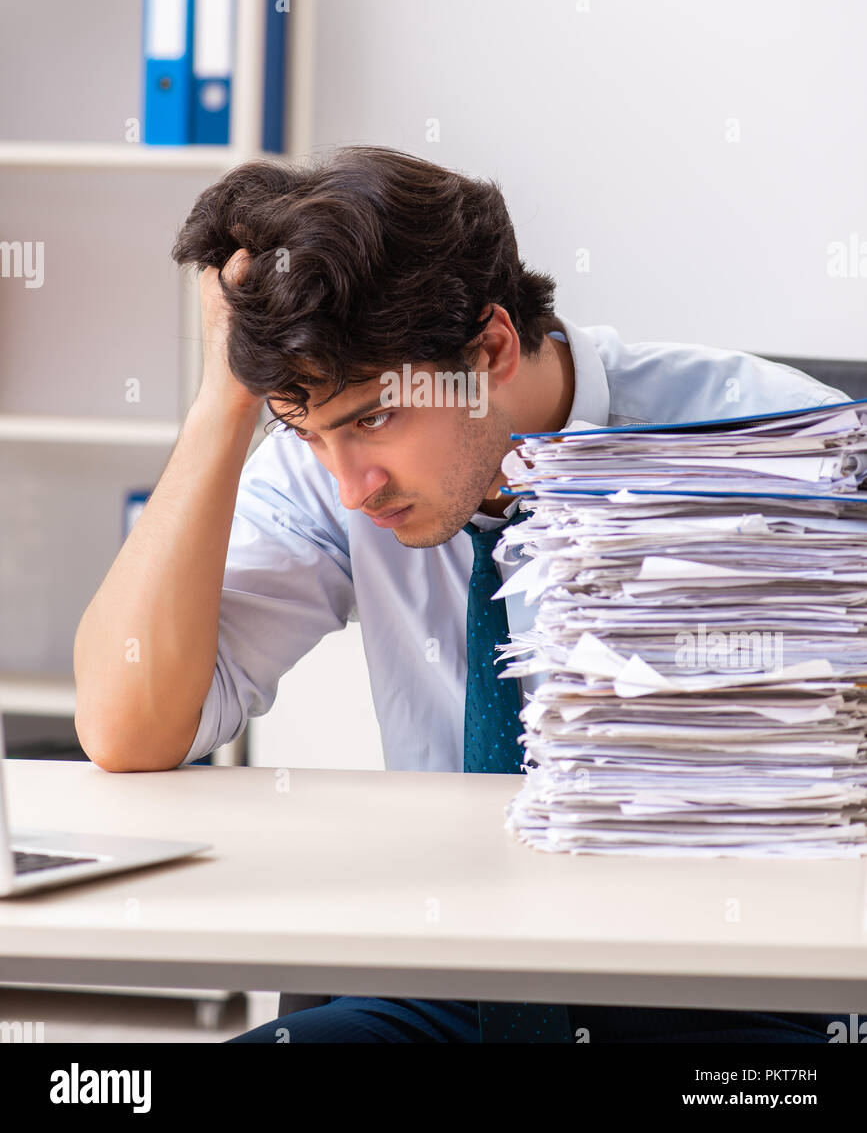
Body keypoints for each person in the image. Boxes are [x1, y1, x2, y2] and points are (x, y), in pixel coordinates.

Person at [73, 145, 853, 1043]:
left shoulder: (774, 445)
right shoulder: (329, 469)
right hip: (450, 982)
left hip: (721, 987)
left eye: (372, 418)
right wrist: (225, 402)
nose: (350, 488)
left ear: (488, 347)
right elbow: (127, 728)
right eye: (309, 431)